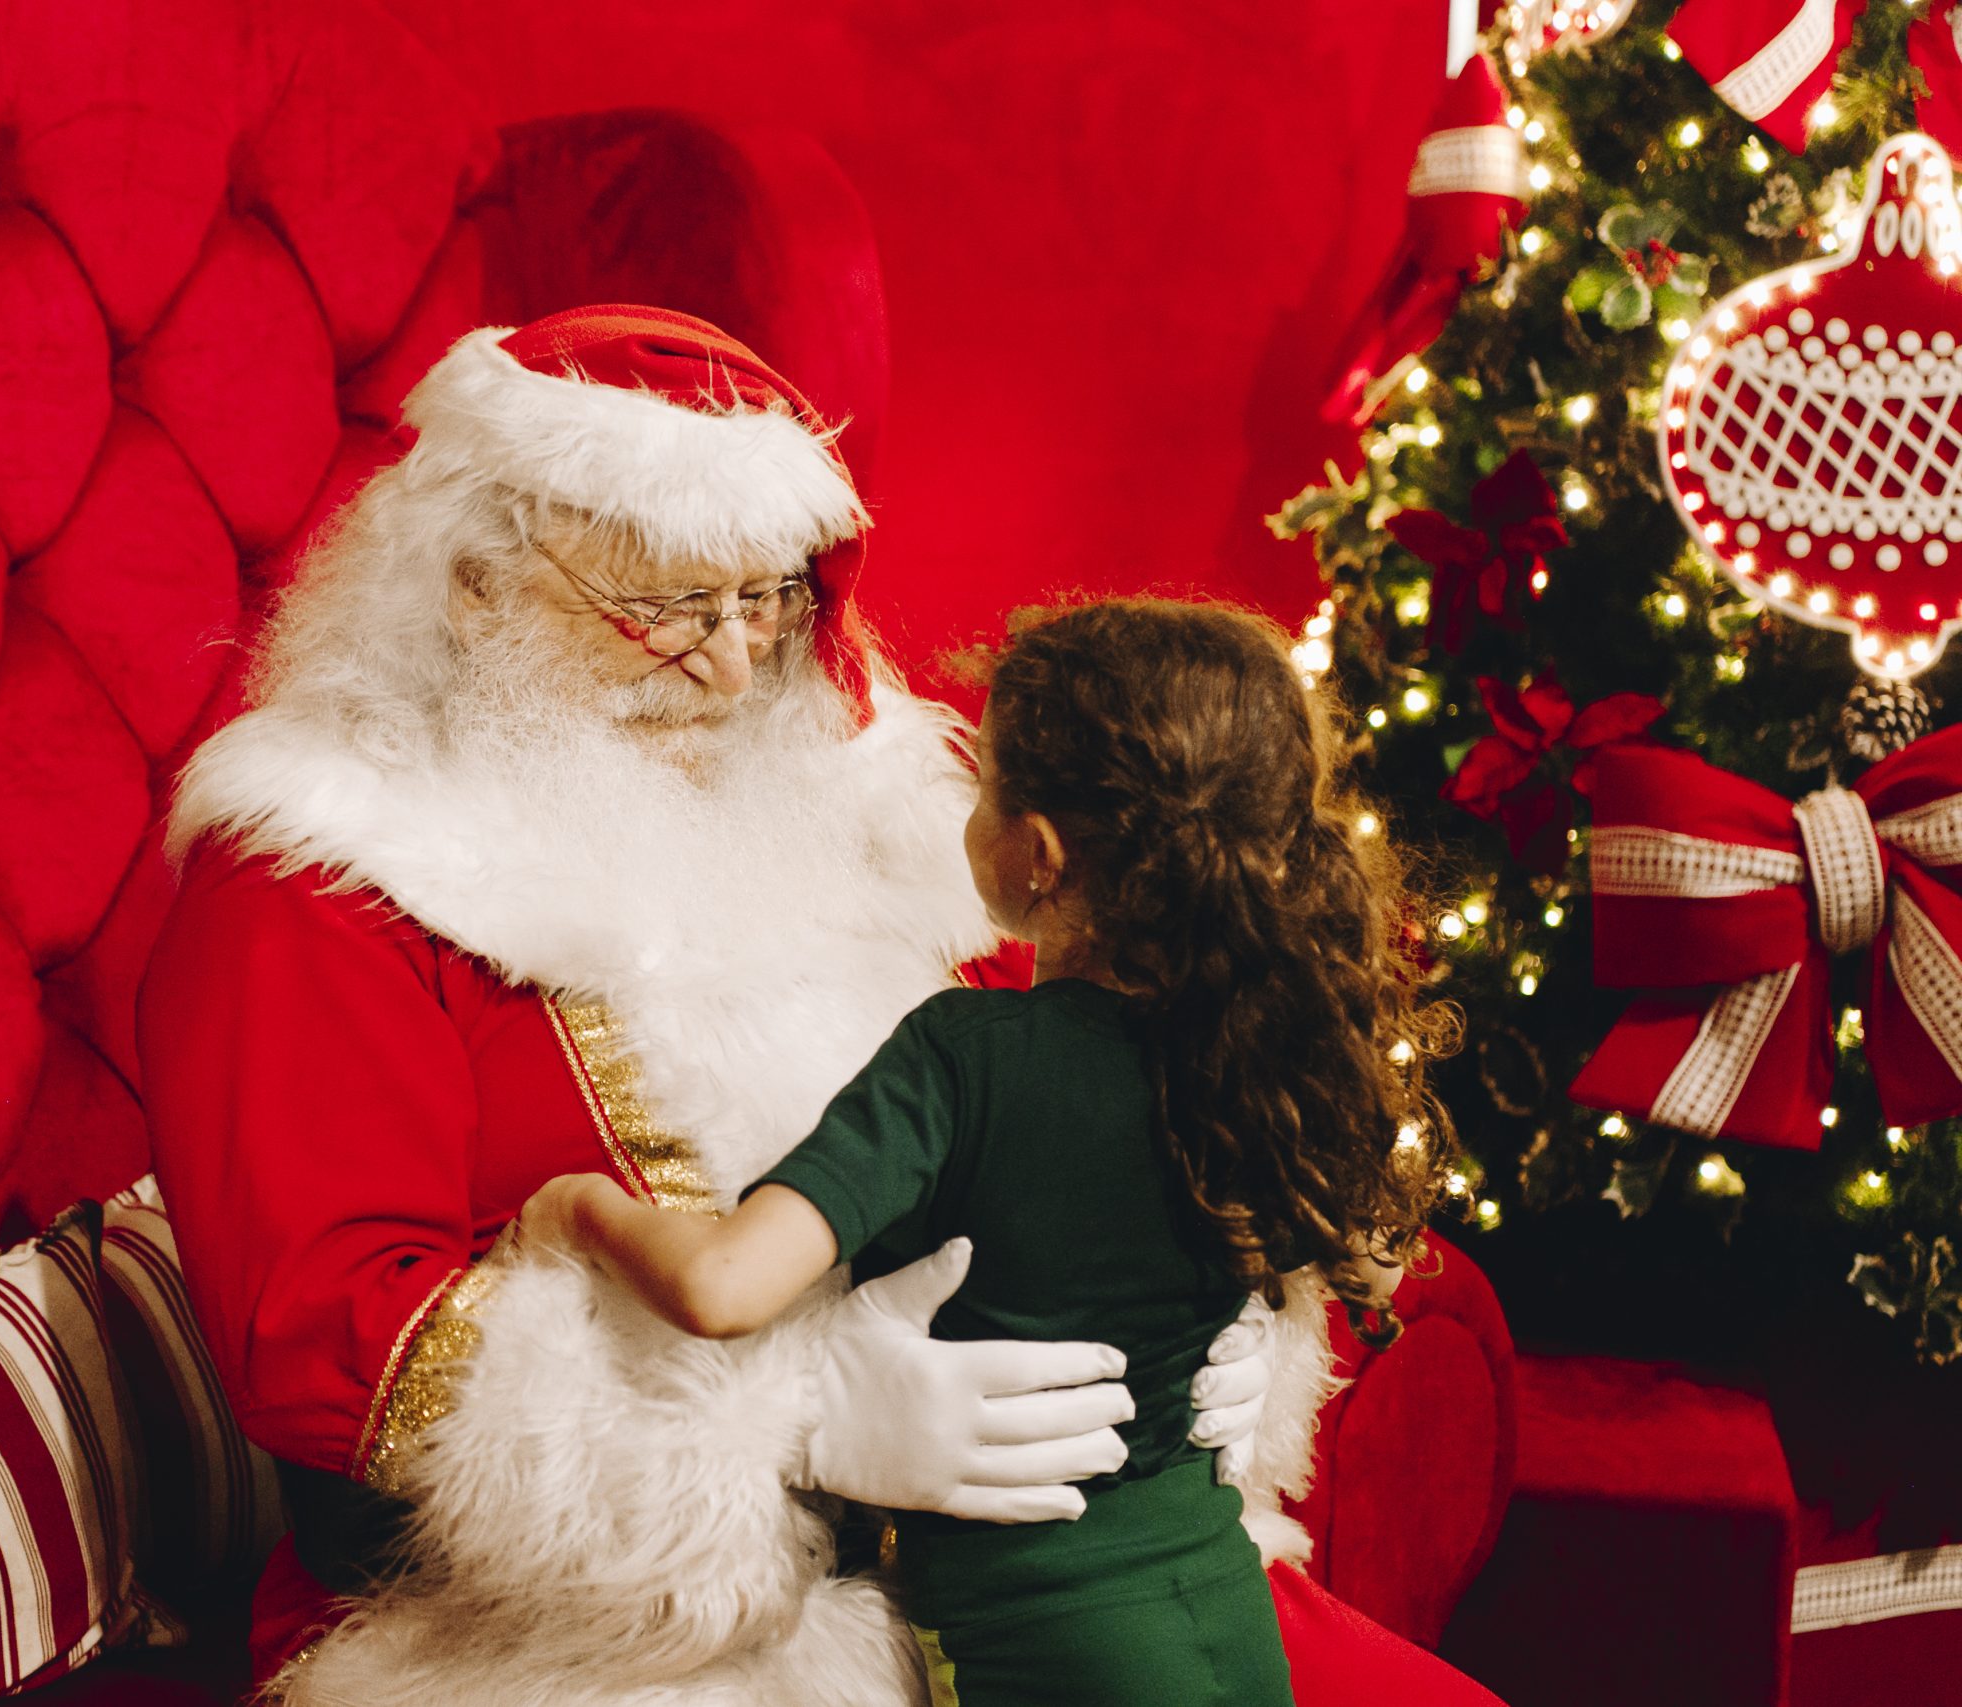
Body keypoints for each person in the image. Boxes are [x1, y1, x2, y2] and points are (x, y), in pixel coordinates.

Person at [137, 305, 1491, 1705]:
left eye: (766, 600)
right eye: (666, 606)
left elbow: (1111, 1105)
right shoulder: (320, 875)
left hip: (1055, 1561)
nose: (734, 667)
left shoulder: (892, 815)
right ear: (475, 583)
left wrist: (1230, 1319)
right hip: (576, 1634)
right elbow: (326, 1340)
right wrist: (795, 1430)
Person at [521, 598, 1455, 1705]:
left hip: (1051, 1648)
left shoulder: (964, 1058)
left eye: (986, 785)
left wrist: (577, 1209)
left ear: (1038, 854)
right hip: (1225, 1614)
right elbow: (1371, 1262)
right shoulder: (1262, 1050)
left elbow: (723, 1286)